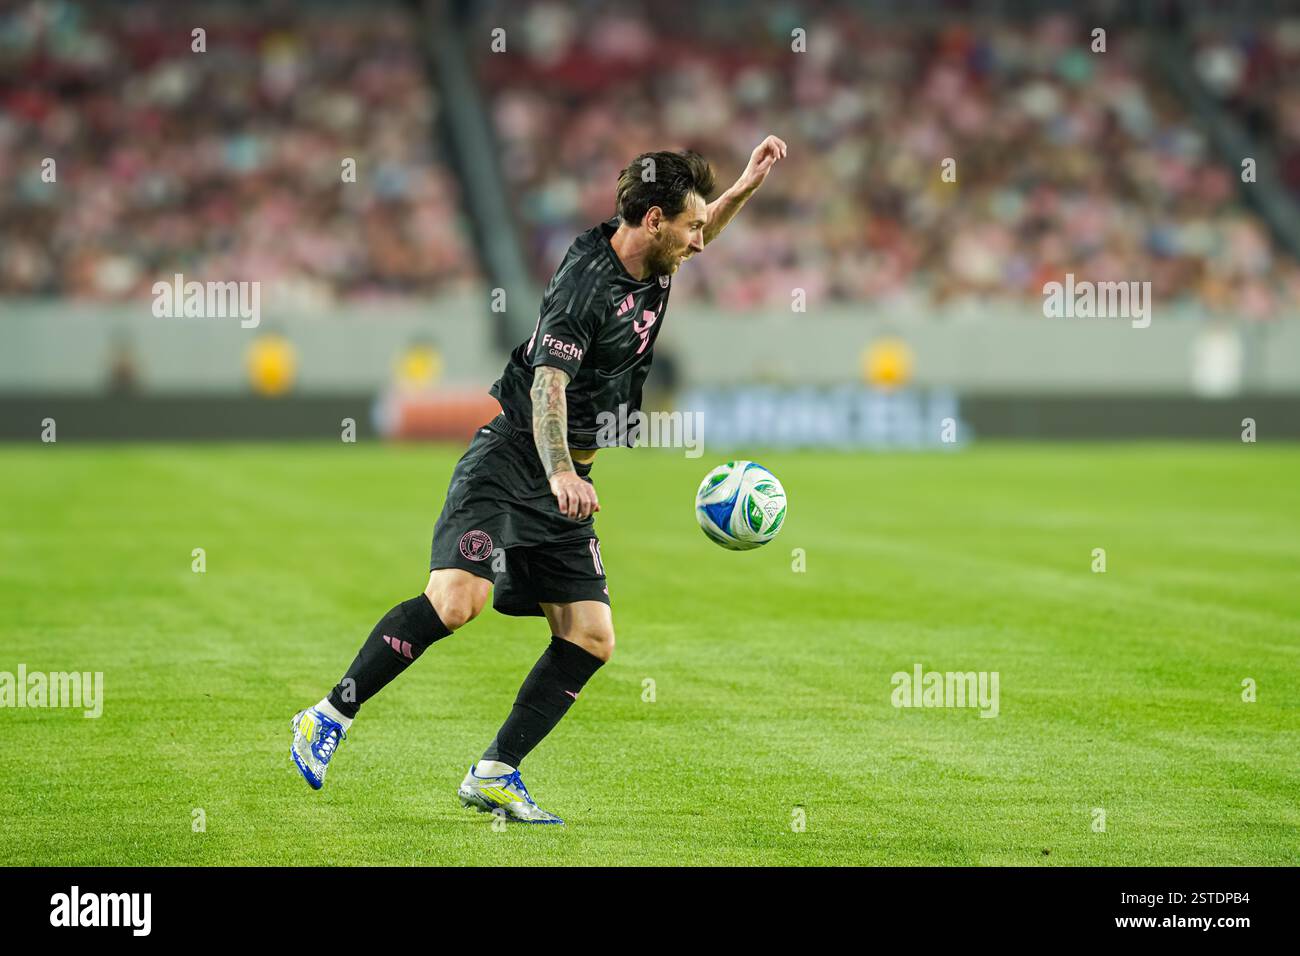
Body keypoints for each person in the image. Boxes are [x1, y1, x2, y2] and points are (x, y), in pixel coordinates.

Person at [291, 136, 787, 823]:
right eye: (693, 227)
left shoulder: (656, 257)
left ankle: (495, 772)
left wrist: (742, 190)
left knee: (590, 635)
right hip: (514, 461)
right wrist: (559, 472)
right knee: (455, 601)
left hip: (568, 480)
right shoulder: (586, 282)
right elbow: (548, 384)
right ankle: (326, 717)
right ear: (654, 221)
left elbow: (700, 229)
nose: (701, 243)